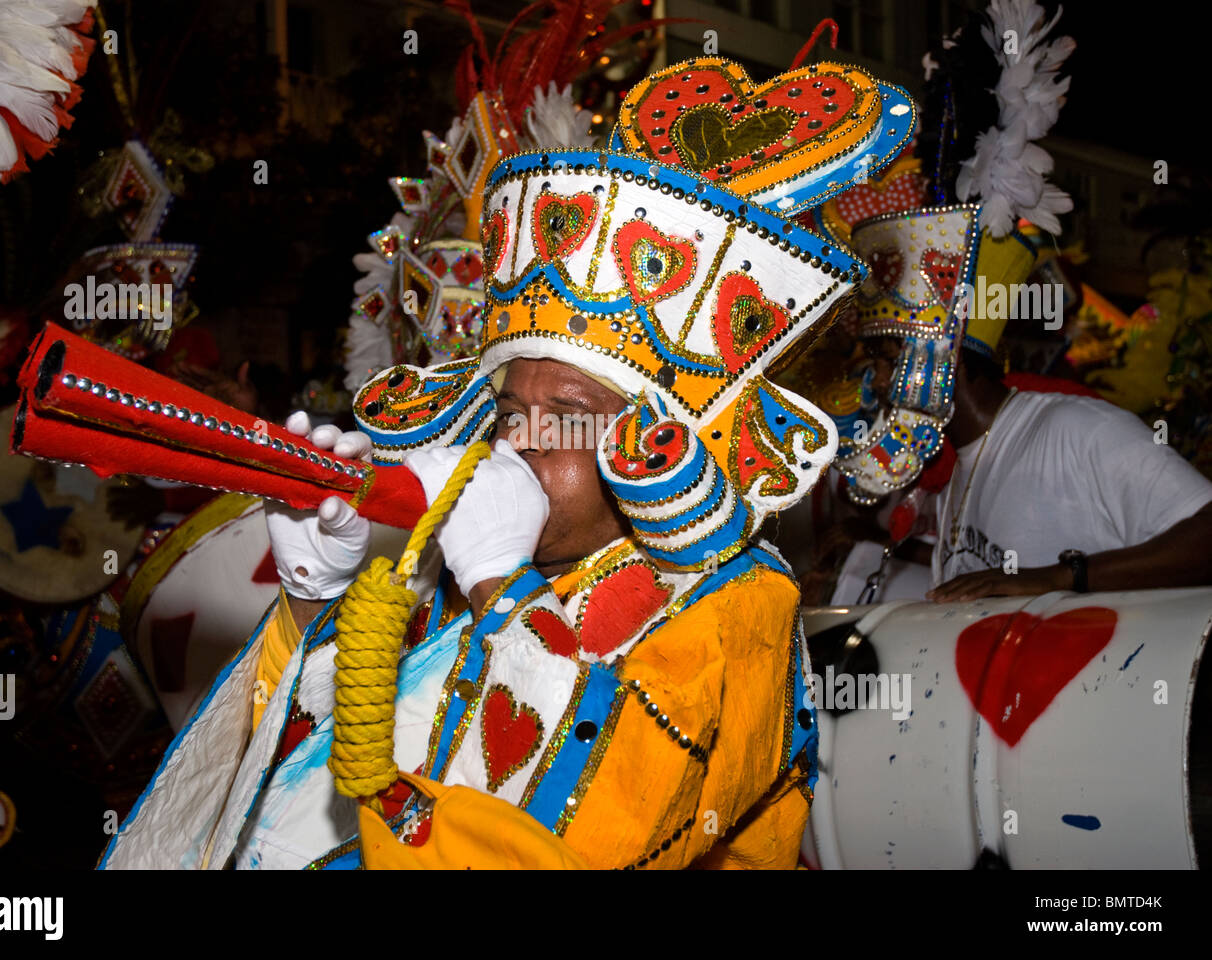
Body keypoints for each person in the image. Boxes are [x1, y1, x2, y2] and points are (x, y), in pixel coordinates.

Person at [97, 51, 916, 869]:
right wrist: (318, 608)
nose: (523, 442)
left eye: (569, 416)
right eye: (510, 411)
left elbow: (590, 841)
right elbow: (303, 790)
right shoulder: (466, 569)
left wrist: (501, 588)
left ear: (666, 444)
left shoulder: (736, 601)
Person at [925, 346, 1212, 601]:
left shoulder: (1082, 428)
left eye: (890, 359)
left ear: (949, 358)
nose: (881, 380)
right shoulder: (958, 468)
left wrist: (1064, 577)